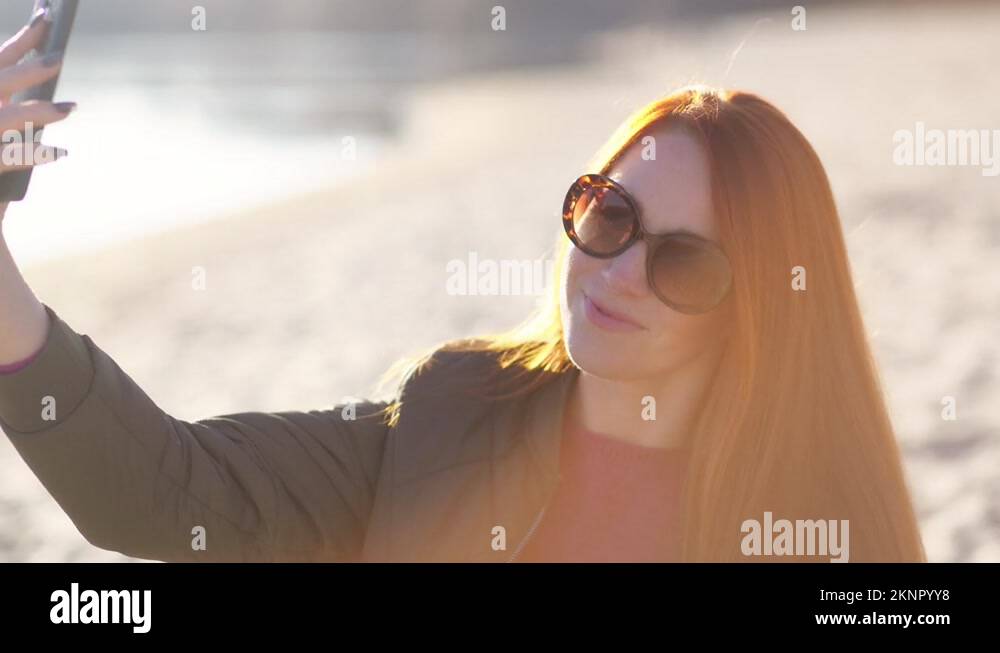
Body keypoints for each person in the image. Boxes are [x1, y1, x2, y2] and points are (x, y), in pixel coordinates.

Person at [0, 14, 925, 562]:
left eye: (682, 262)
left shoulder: (818, 518)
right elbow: (166, 490)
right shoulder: (449, 412)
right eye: (609, 216)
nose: (619, 271)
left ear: (761, 303)